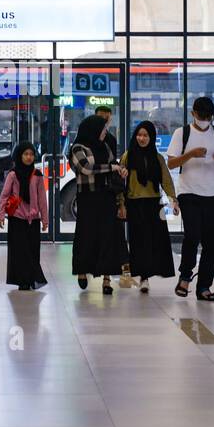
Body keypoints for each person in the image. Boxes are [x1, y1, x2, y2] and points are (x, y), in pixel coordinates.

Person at [167, 97, 214, 301]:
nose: (205, 120)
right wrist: (191, 154)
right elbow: (171, 164)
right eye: (202, 115)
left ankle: (204, 286)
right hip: (189, 193)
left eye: (208, 116)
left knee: (210, 243)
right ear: (193, 114)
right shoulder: (182, 133)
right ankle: (185, 276)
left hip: (213, 194)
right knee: (192, 236)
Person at [68, 115, 128, 295]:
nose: (105, 133)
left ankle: (107, 279)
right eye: (103, 129)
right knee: (86, 236)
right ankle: (82, 270)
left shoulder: (105, 147)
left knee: (108, 238)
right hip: (88, 198)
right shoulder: (78, 148)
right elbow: (85, 168)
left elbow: (113, 164)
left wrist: (120, 170)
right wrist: (111, 168)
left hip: (107, 196)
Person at [120, 121, 178, 294]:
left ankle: (149, 274)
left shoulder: (157, 158)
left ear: (151, 137)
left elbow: (166, 180)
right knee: (138, 242)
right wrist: (121, 204)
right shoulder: (128, 156)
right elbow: (120, 182)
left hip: (154, 204)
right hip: (134, 203)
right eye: (139, 135)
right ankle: (143, 277)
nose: (142, 138)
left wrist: (173, 199)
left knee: (156, 241)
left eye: (146, 135)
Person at [0, 142, 49, 291]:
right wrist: (1, 215)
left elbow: (42, 200)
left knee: (32, 251)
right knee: (19, 251)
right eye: (26, 154)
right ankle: (22, 280)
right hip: (17, 218)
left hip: (33, 219)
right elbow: (4, 195)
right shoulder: (13, 174)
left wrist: (45, 219)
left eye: (31, 154)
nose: (29, 157)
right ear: (19, 156)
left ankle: (31, 278)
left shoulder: (37, 175)